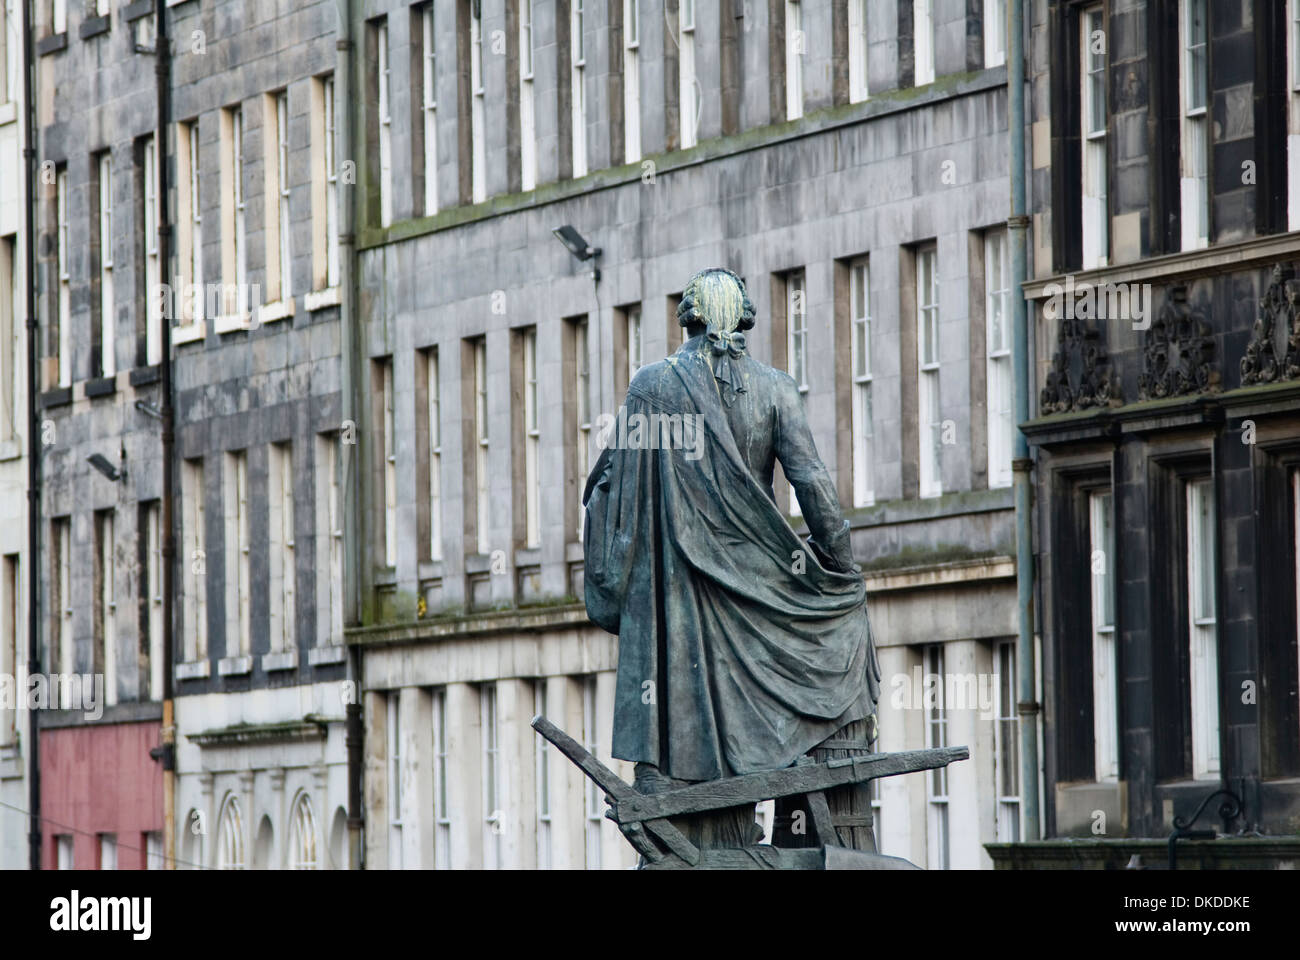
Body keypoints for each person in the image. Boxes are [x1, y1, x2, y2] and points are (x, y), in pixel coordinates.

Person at [583, 267, 881, 800]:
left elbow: (619, 490)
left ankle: (661, 764)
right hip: (758, 573)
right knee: (846, 611)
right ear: (744, 317)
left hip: (680, 574)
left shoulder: (651, 385)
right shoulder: (776, 388)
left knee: (664, 601)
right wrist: (841, 566)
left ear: (689, 318)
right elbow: (812, 483)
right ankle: (804, 743)